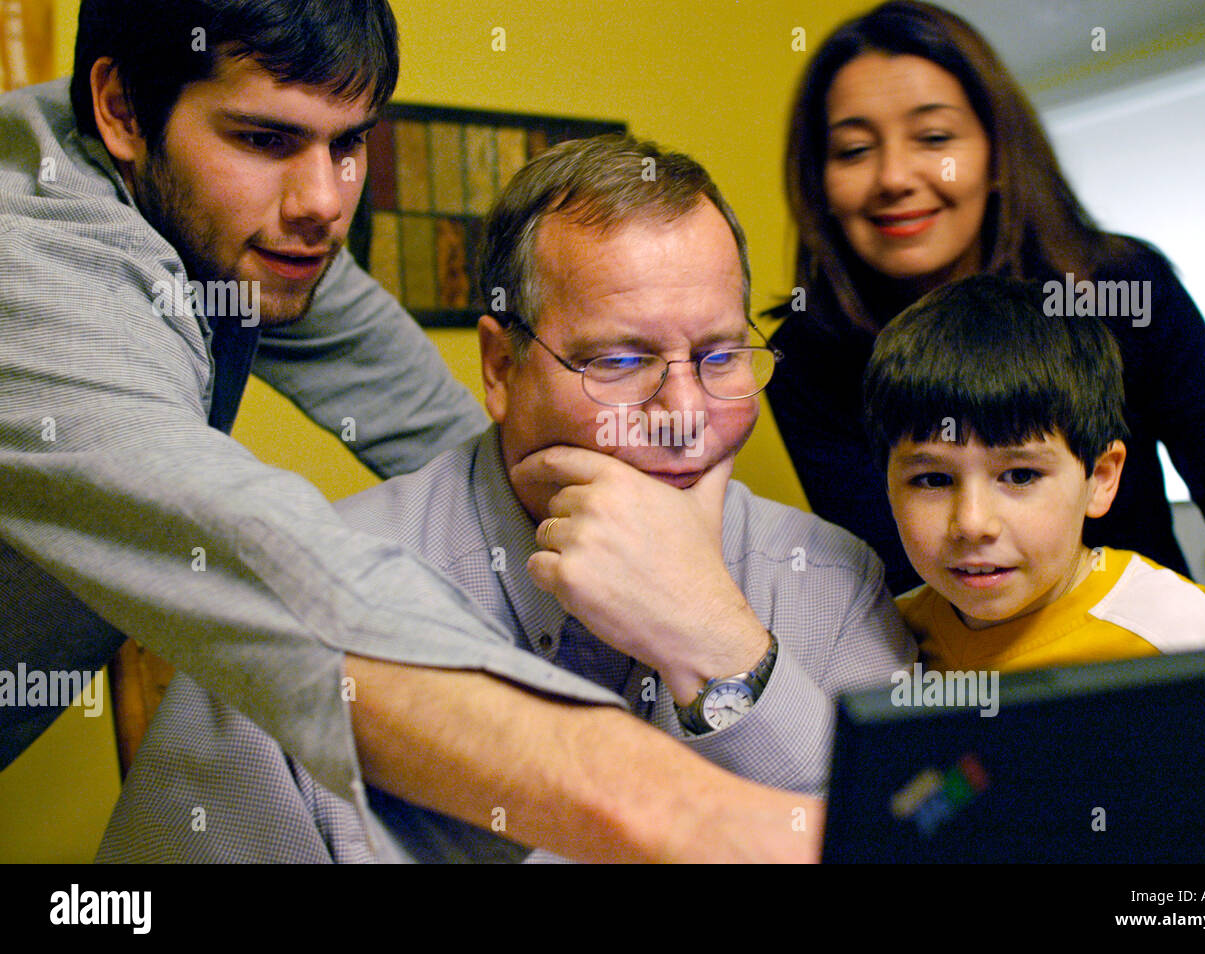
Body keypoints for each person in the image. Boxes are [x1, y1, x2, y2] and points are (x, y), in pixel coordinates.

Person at [0, 0, 843, 863]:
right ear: (120, 110)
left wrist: (683, 595)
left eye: (349, 143)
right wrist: (703, 821)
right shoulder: (36, 278)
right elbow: (264, 581)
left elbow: (464, 448)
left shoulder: (246, 234)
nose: (325, 203)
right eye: (264, 139)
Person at [97, 134, 916, 862]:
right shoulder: (305, 601)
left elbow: (930, 833)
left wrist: (720, 647)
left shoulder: (833, 580)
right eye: (622, 362)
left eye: (721, 355)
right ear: (500, 369)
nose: (686, 418)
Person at [764, 0, 1205, 638]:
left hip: (1136, 662)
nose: (894, 177)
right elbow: (889, 578)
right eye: (853, 149)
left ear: (996, 154)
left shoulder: (1119, 288)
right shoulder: (808, 354)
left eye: (934, 138)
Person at [864, 276, 1205, 671]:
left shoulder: (1173, 635)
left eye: (1020, 476)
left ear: (1099, 479)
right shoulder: (883, 640)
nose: (973, 524)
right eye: (933, 480)